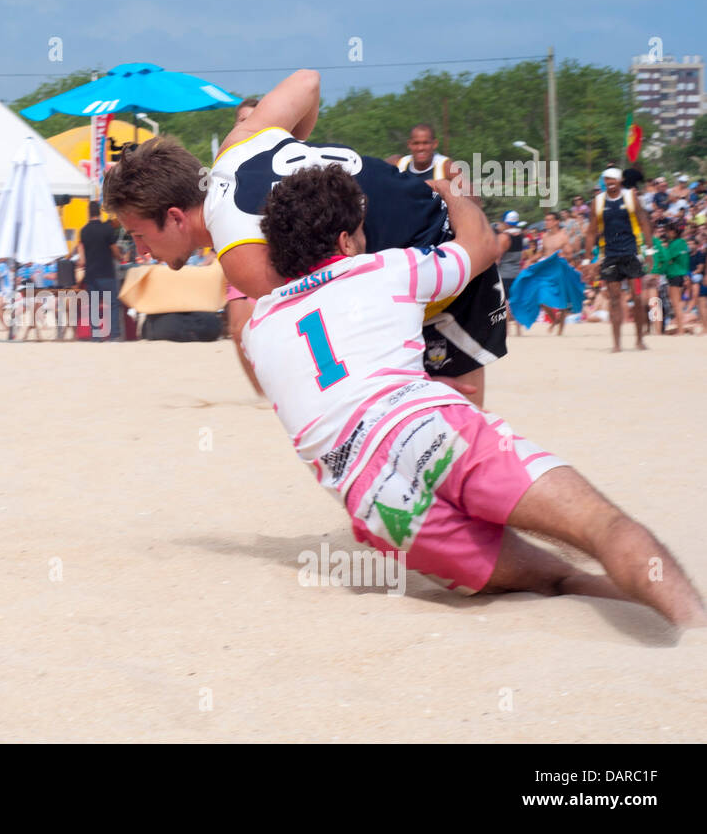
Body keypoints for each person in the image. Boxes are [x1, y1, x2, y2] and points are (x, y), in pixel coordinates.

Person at [241, 162, 705, 628]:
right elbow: (480, 246)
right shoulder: (388, 267)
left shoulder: (258, 330)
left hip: (375, 503)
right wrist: (452, 192)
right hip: (427, 428)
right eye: (361, 232)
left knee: (557, 579)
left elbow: (328, 388)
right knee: (603, 529)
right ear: (345, 242)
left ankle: (635, 609)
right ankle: (693, 629)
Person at [102, 68, 506, 409]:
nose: (140, 250)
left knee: (458, 445)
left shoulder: (241, 255)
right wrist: (296, 148)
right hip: (428, 217)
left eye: (139, 235)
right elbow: (307, 80)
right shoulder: (239, 142)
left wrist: (404, 389)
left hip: (447, 256)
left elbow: (342, 315)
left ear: (174, 217)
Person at [584, 167, 656, 352]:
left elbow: (644, 222)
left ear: (620, 180)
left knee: (638, 298)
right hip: (609, 256)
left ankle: (640, 339)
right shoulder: (598, 202)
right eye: (607, 179)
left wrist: (649, 251)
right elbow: (591, 231)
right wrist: (586, 261)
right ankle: (616, 344)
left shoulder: (631, 197)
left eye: (613, 179)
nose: (610, 182)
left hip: (632, 254)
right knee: (615, 301)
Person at [76, 201, 124, 340]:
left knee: (94, 305)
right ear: (99, 212)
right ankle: (114, 335)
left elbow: (82, 259)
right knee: (113, 304)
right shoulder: (107, 229)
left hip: (91, 274)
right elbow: (114, 251)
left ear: (88, 213)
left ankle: (96, 335)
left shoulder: (83, 231)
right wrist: (120, 256)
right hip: (107, 273)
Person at [387, 123, 456, 181]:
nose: (420, 148)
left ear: (435, 144)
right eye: (416, 143)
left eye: (426, 143)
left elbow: (466, 196)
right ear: (409, 144)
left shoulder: (447, 167)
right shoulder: (397, 163)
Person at [497, 211, 526, 336]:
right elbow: (523, 255)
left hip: (504, 273)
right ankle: (519, 330)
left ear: (505, 222)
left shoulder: (503, 237)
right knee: (516, 300)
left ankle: (507, 330)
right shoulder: (521, 236)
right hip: (516, 273)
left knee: (505, 302)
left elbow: (497, 259)